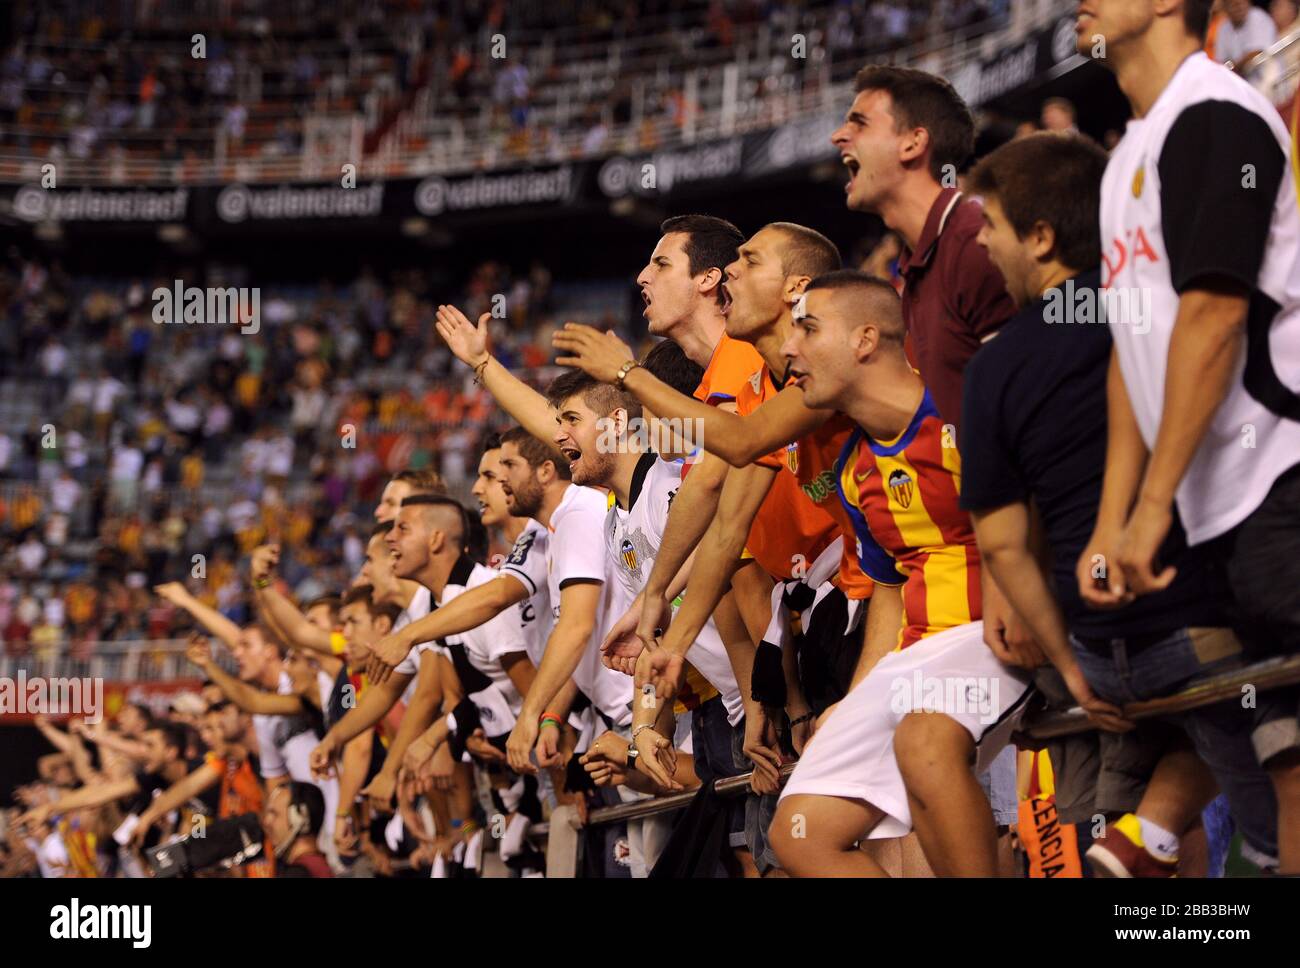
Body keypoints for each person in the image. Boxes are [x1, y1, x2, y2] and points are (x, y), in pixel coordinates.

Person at [961, 129, 1279, 876]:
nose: (984, 248)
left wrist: (1073, 671)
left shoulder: (992, 365)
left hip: (1097, 657)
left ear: (1041, 238)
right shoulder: (1169, 310)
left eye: (994, 229)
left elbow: (1003, 546)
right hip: (1199, 628)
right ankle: (1159, 835)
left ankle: (1147, 836)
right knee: (1272, 826)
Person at [1082, 0, 1300, 874]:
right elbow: (1129, 357)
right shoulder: (1127, 153)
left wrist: (1151, 506)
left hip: (1279, 479)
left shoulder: (1217, 113)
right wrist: (1116, 516)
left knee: (1294, 779)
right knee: (1274, 774)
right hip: (1215, 517)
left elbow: (1212, 318)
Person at [767, 270, 1032, 877]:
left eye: (808, 329)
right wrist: (862, 696)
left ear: (866, 340)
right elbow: (888, 592)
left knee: (925, 745)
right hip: (913, 658)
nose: (789, 349)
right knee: (799, 834)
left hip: (995, 630)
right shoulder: (854, 468)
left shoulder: (963, 412)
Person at [266, 782, 333, 877]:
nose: (267, 822)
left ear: (299, 819)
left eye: (274, 814)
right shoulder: (318, 865)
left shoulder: (298, 873)